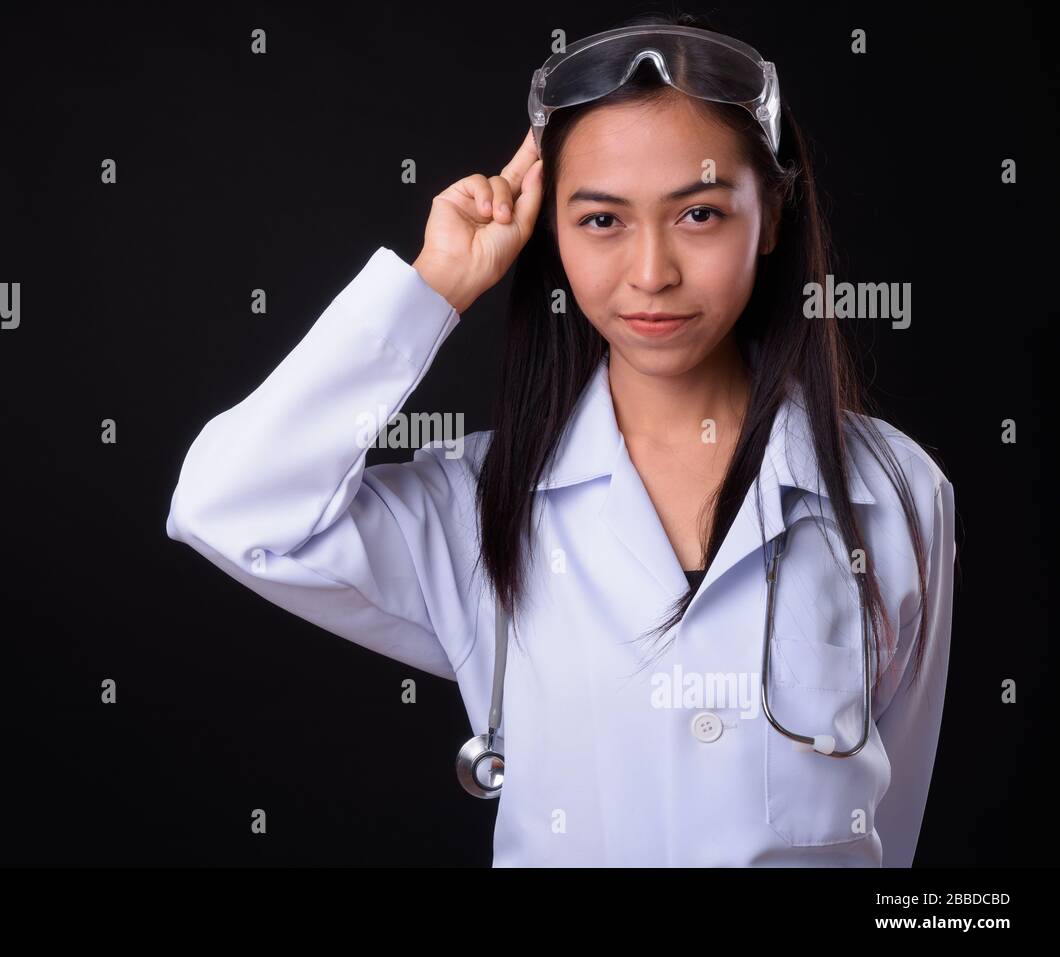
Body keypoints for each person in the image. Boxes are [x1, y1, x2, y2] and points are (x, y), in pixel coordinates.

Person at [165, 12, 956, 866]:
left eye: (699, 214)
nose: (650, 272)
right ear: (551, 230)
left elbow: (890, 822)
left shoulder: (896, 492)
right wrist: (434, 287)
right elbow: (229, 506)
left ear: (772, 216)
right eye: (601, 221)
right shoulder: (480, 505)